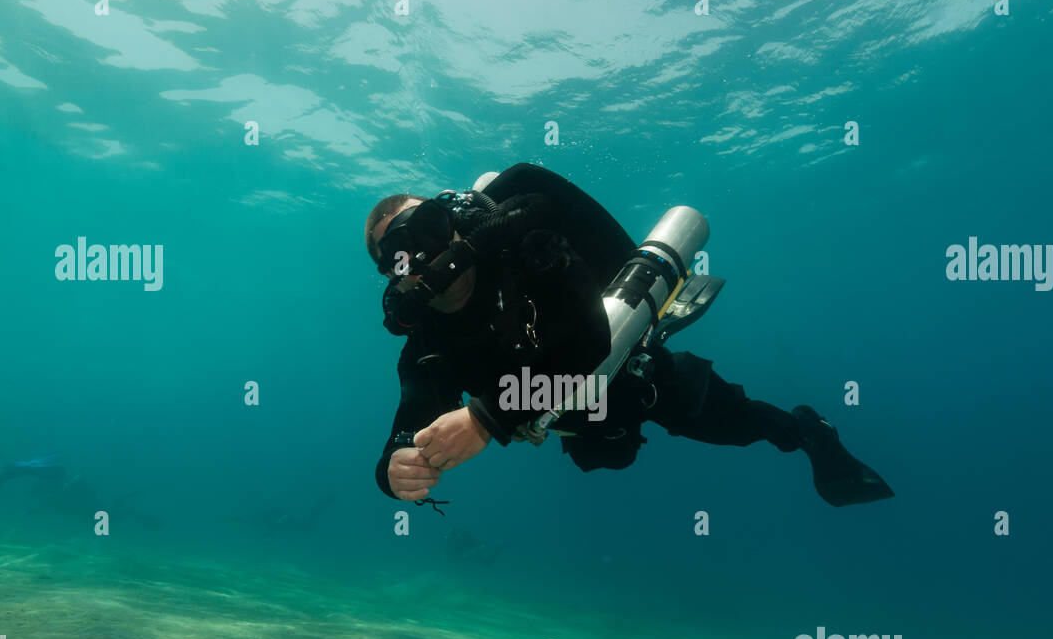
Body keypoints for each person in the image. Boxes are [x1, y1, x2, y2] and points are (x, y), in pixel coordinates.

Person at [366, 164, 893, 508]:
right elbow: (416, 409)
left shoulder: (529, 250)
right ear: (394, 277)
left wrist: (485, 418)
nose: (426, 255)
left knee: (744, 424)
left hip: (635, 374)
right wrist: (394, 468)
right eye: (400, 253)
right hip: (581, 424)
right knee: (607, 458)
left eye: (430, 228)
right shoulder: (429, 343)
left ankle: (810, 430)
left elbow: (592, 343)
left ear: (456, 222)